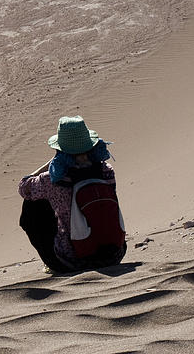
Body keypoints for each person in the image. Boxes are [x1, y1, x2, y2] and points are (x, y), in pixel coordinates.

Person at [18, 115, 126, 273]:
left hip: (73, 261)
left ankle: (53, 263)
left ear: (60, 150)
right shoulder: (106, 170)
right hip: (115, 253)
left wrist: (53, 162)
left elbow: (23, 187)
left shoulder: (53, 180)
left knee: (31, 204)